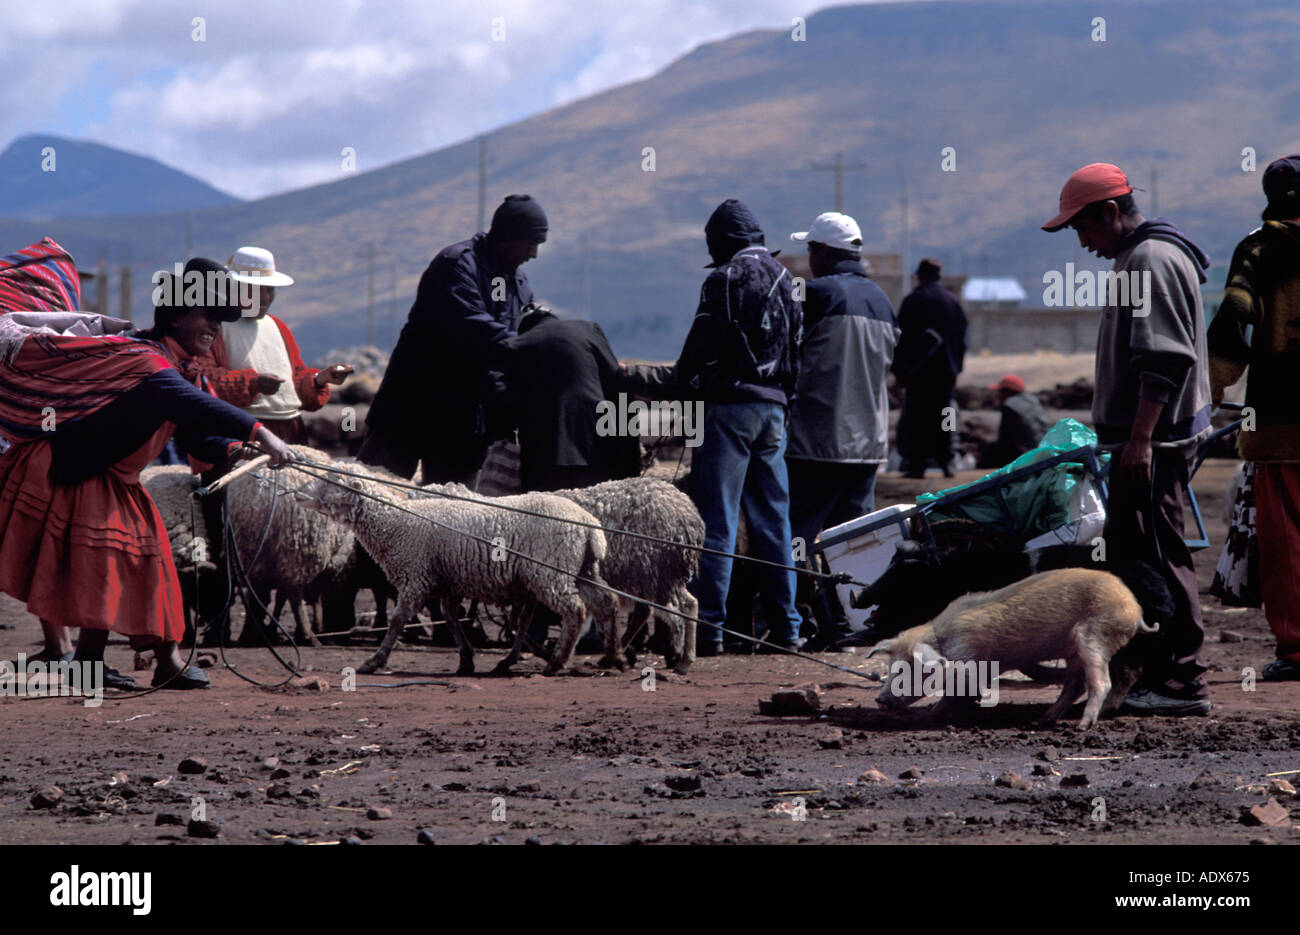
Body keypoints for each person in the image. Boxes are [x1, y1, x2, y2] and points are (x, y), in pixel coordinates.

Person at [0, 258, 294, 690]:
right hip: (76, 469)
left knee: (151, 562)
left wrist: (239, 448)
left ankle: (162, 662)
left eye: (219, 319)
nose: (214, 328)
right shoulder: (143, 360)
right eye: (207, 316)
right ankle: (95, 662)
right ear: (176, 317)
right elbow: (183, 401)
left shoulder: (181, 371)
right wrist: (260, 432)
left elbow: (196, 436)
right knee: (103, 563)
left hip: (112, 476)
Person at [1043, 162, 1213, 716]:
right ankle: (1151, 672)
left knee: (1160, 556)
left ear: (1111, 212)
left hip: (1152, 443)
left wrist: (1140, 439)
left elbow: (1162, 361)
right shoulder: (1142, 257)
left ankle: (1181, 681)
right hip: (1143, 440)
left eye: (1084, 227)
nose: (1083, 241)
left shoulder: (1149, 260)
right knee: (1141, 555)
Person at [625, 199, 804, 655]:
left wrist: (672, 389)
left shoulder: (723, 279)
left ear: (722, 244)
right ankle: (787, 630)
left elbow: (696, 357)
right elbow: (797, 354)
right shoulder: (789, 280)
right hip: (774, 411)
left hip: (730, 411)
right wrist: (783, 406)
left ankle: (708, 630)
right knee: (774, 521)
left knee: (716, 521)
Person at [361, 194, 548, 485]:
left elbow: (525, 330)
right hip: (410, 407)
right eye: (530, 243)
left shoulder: (518, 283)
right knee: (374, 494)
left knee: (452, 508)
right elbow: (474, 327)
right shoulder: (456, 264)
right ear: (508, 236)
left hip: (463, 420)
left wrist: (550, 342)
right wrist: (529, 349)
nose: (533, 254)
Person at [785, 211, 898, 650]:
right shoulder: (882, 300)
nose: (808, 260)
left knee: (794, 536)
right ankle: (852, 626)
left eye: (810, 250)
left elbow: (785, 355)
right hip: (868, 445)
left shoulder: (814, 294)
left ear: (822, 252)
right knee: (852, 543)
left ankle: (793, 624)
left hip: (817, 441)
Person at [1208, 153, 1300, 682]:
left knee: (1287, 545)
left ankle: (1297, 650)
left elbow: (1231, 323)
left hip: (1279, 428)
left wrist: (1212, 389)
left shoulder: (1260, 249)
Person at [196, 246, 352, 443]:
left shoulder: (277, 326)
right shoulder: (215, 325)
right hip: (243, 431)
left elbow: (295, 377)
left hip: (291, 429)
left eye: (269, 289)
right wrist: (254, 383)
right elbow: (203, 378)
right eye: (255, 289)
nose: (265, 298)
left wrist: (320, 379)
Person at [502, 306, 641, 492]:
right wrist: (632, 461)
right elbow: (620, 390)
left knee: (549, 510)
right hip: (598, 447)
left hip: (544, 459)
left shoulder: (516, 346)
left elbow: (504, 404)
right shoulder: (588, 330)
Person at [893, 258, 966, 478]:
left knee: (917, 418)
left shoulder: (913, 300)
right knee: (946, 416)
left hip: (919, 373)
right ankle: (947, 461)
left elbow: (901, 338)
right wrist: (957, 369)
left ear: (920, 275)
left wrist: (900, 371)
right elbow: (961, 340)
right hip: (945, 373)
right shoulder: (952, 302)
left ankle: (917, 464)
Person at [977, 374, 1052, 468]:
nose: (998, 395)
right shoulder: (1033, 400)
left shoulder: (1009, 406)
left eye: (1000, 391)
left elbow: (1005, 438)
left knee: (990, 450)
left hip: (1025, 453)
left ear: (1006, 392)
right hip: (1043, 447)